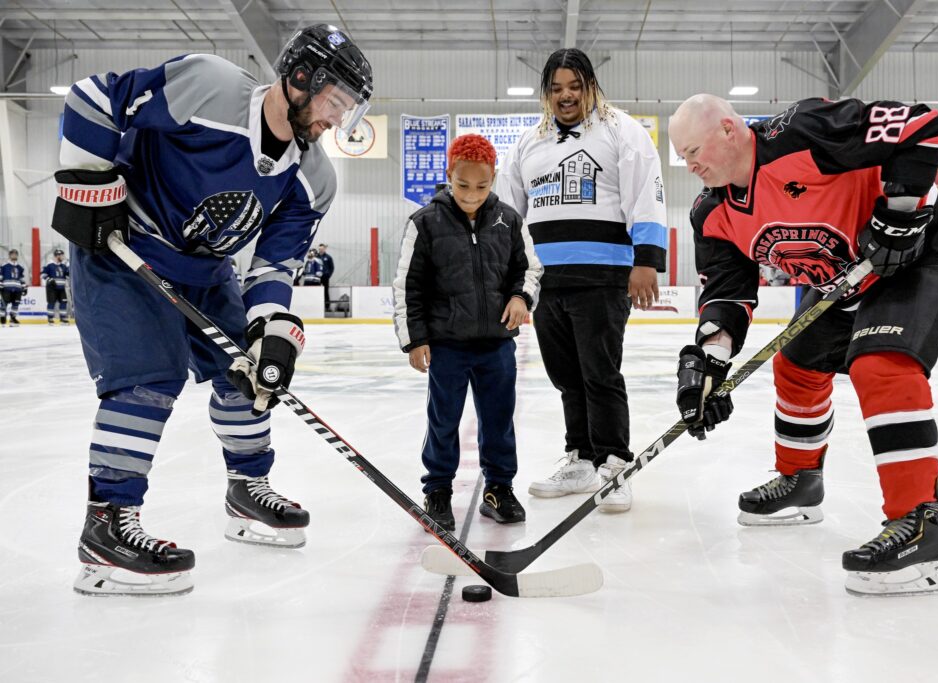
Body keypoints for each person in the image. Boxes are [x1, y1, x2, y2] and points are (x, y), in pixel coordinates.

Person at [50, 24, 372, 596]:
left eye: (347, 111)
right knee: (149, 379)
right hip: (127, 250)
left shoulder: (314, 179)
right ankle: (106, 526)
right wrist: (88, 181)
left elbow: (275, 266)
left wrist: (271, 329)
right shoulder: (209, 86)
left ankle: (247, 489)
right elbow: (95, 98)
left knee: (246, 375)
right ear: (301, 78)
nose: (334, 122)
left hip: (205, 270)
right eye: (334, 103)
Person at [668, 94, 938, 596]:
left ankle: (920, 526)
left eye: (694, 150)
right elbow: (727, 292)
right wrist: (707, 361)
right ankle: (801, 481)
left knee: (880, 367)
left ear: (727, 129)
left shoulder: (802, 132)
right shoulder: (711, 212)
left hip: (914, 258)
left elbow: (919, 124)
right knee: (797, 364)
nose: (690, 164)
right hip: (841, 284)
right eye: (683, 157)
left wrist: (899, 211)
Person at [496, 48, 667, 512]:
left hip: (603, 276)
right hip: (547, 281)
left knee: (599, 371)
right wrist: (511, 280)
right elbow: (510, 214)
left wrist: (646, 261)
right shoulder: (529, 142)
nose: (566, 96)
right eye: (556, 89)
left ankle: (614, 462)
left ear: (591, 87)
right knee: (566, 375)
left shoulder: (622, 131)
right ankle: (581, 457)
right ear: (546, 94)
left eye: (574, 87)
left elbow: (645, 194)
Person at [393, 134, 542, 532]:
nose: (472, 195)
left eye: (482, 185)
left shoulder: (509, 219)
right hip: (447, 345)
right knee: (443, 419)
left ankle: (499, 488)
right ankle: (438, 489)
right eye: (462, 185)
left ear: (493, 177)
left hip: (496, 344)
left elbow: (528, 269)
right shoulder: (425, 222)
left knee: (498, 418)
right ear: (449, 175)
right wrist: (415, 338)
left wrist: (520, 299)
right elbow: (408, 284)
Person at [42, 248, 72, 325]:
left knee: (63, 302)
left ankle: (63, 319)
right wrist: (50, 279)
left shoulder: (63, 265)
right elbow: (43, 275)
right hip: (52, 288)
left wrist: (69, 265)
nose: (62, 257)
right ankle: (50, 319)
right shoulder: (49, 264)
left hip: (62, 288)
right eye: (61, 256)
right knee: (51, 302)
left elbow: (68, 274)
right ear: (57, 256)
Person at [1, 248, 27, 327]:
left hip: (17, 289)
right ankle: (2, 318)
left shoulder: (20, 267)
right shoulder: (4, 266)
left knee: (16, 304)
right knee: (4, 304)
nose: (14, 255)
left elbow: (21, 278)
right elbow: (0, 276)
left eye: (15, 254)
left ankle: (13, 318)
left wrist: (24, 287)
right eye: (12, 254)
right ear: (9, 255)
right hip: (6, 288)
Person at [318, 243, 335, 308]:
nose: (321, 250)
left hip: (325, 277)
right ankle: (319, 305)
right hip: (318, 278)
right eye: (320, 249)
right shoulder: (316, 257)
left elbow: (332, 267)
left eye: (322, 249)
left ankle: (327, 306)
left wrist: (328, 275)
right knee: (318, 291)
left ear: (324, 249)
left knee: (326, 291)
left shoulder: (328, 257)